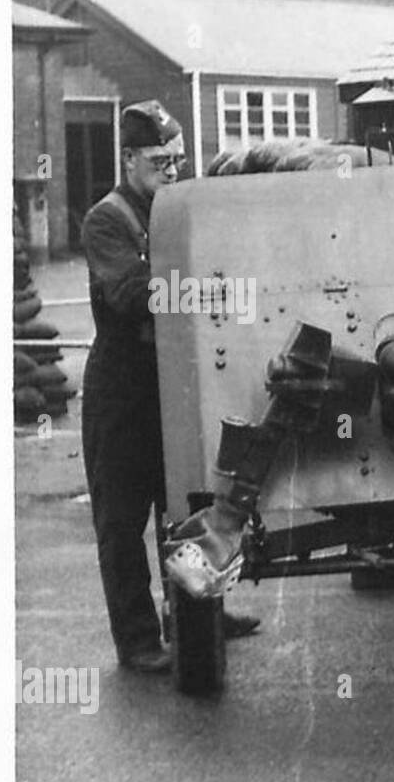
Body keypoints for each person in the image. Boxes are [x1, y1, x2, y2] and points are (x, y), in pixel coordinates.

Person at [81, 100, 260, 673]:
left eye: (179, 159)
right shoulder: (108, 218)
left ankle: (195, 613)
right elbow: (132, 294)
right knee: (123, 520)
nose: (173, 169)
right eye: (160, 160)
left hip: (175, 382)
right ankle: (136, 640)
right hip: (123, 389)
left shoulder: (180, 210)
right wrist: (201, 289)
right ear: (128, 158)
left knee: (185, 508)